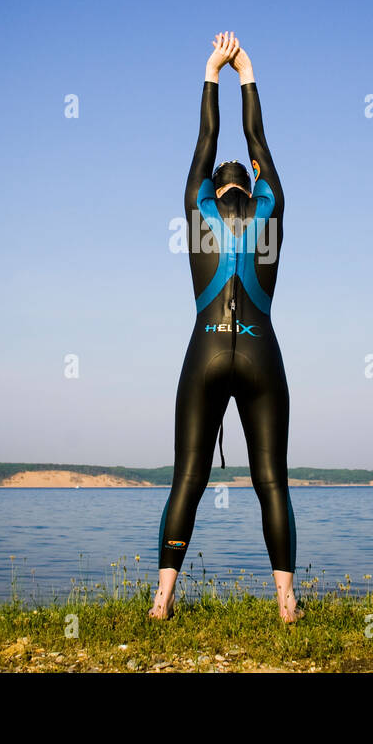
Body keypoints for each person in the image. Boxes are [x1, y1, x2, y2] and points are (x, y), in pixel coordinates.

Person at [149, 31, 302, 624]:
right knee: (272, 482)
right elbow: (255, 140)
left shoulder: (198, 205)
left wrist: (213, 68)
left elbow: (206, 142)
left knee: (187, 474)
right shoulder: (272, 207)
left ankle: (162, 600)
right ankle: (286, 603)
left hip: (204, 353)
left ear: (215, 187)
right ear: (256, 184)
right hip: (262, 354)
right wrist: (249, 70)